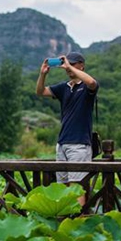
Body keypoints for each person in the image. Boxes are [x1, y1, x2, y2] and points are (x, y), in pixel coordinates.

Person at [35, 52, 99, 206]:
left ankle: (77, 221)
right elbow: (40, 92)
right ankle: (65, 222)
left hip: (79, 144)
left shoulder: (86, 87)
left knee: (76, 187)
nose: (68, 67)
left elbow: (92, 82)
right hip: (62, 143)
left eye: (72, 64)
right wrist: (42, 74)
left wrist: (70, 67)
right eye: (66, 64)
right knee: (63, 188)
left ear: (81, 65)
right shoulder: (63, 88)